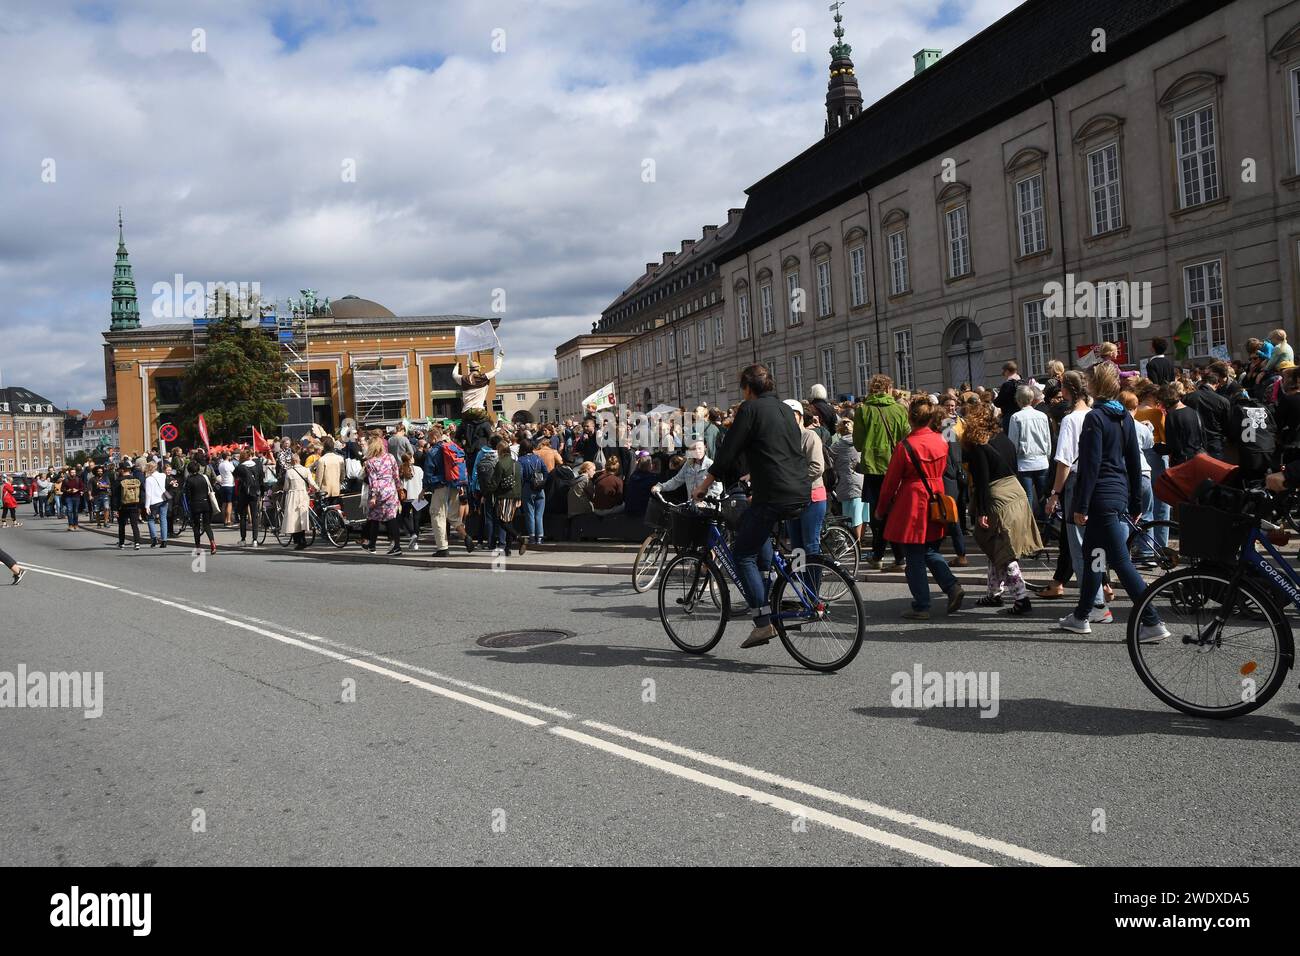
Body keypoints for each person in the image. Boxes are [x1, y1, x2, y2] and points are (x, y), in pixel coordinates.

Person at [694, 364, 810, 648]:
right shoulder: (785, 410)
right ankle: (770, 587)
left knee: (742, 554)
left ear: (748, 388)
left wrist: (703, 485)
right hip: (798, 490)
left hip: (773, 494)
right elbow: (781, 451)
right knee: (758, 537)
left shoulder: (750, 409)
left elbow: (727, 454)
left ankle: (762, 622)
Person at [1059, 363, 1169, 639]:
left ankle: (1153, 621)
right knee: (1094, 555)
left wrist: (1080, 506)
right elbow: (1134, 461)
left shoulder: (1095, 418)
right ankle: (1083, 614)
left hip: (1101, 497)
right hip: (1118, 492)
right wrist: (1135, 502)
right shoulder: (1124, 417)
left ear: (1095, 386)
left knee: (1120, 561)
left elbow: (1090, 465)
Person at [876, 396, 965, 620]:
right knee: (930, 550)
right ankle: (952, 586)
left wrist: (881, 508)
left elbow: (890, 483)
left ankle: (922, 605)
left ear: (910, 418)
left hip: (913, 501)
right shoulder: (940, 440)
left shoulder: (905, 445)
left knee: (914, 555)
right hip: (936, 494)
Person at [963, 403, 1042, 614]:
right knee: (995, 547)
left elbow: (982, 482)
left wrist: (982, 512)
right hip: (1016, 494)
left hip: (998, 499)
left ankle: (1021, 598)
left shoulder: (980, 445)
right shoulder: (1004, 439)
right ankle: (994, 593)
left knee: (1002, 550)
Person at [1040, 371, 1099, 605]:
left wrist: (1054, 494)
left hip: (1076, 482)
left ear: (1066, 390)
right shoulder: (1095, 415)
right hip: (1098, 481)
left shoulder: (1070, 419)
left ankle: (1091, 602)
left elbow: (1064, 461)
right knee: (1095, 544)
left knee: (1078, 545)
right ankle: (1100, 594)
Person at [853, 374, 910, 571]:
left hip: (873, 467)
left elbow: (858, 444)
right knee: (894, 511)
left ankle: (882, 556)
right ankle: (896, 556)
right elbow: (906, 437)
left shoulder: (863, 411)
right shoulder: (899, 409)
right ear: (888, 389)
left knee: (878, 514)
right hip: (895, 466)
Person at [785, 399, 827, 561]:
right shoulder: (784, 440)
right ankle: (801, 585)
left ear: (801, 417)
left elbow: (817, 467)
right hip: (793, 498)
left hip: (812, 497)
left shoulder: (809, 436)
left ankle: (812, 585)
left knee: (810, 545)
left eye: (793, 415)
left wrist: (793, 480)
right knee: (796, 548)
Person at [1007, 384, 1052, 519]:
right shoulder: (1042, 416)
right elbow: (1047, 439)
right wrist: (1047, 456)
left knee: (1028, 497)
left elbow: (1013, 442)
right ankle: (1047, 528)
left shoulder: (1016, 417)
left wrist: (1013, 462)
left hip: (1024, 462)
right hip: (1042, 460)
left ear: (1018, 400)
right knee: (1044, 496)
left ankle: (1030, 528)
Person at [362, 435, 403, 555]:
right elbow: (396, 474)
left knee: (374, 517)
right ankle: (397, 546)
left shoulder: (370, 462)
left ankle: (372, 545)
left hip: (379, 491)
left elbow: (373, 480)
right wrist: (399, 488)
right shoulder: (390, 457)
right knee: (391, 518)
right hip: (391, 490)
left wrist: (374, 496)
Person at [484, 437, 524, 555]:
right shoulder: (516, 463)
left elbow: (495, 483)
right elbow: (519, 480)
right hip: (515, 495)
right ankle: (508, 549)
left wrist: (486, 490)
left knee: (503, 522)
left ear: (500, 450)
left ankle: (520, 538)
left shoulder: (500, 464)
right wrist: (519, 497)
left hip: (504, 495)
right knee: (509, 521)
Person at [1180, 367, 1231, 460]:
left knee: (1198, 472)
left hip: (1193, 441)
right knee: (1217, 472)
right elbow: (1227, 425)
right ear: (1217, 384)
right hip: (1214, 441)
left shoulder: (1188, 398)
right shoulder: (1222, 401)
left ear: (1203, 382)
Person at [828, 418, 864, 545]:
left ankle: (854, 542)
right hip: (862, 481)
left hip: (844, 482)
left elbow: (830, 463)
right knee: (860, 514)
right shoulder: (861, 443)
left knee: (849, 515)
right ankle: (859, 541)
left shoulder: (836, 446)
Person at [1156, 382, 1205, 466]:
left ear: (1165, 402)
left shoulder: (1171, 416)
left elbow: (1171, 445)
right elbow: (1202, 434)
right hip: (1197, 456)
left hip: (1181, 460)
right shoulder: (1193, 411)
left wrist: (1155, 447)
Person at [517, 438, 547, 547]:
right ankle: (540, 537)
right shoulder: (538, 458)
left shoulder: (520, 460)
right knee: (539, 514)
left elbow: (520, 476)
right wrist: (542, 482)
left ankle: (532, 537)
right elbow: (545, 472)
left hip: (527, 488)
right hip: (540, 488)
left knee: (530, 514)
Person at [182, 460, 217, 554]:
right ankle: (212, 543)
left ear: (189, 470)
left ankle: (198, 547)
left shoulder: (189, 480)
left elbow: (187, 495)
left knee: (196, 526)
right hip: (206, 503)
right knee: (207, 525)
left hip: (195, 504)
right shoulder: (203, 477)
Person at [234, 449, 264, 547]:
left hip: (243, 492)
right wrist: (261, 491)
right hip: (255, 492)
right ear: (250, 456)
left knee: (243, 516)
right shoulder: (258, 465)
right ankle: (255, 540)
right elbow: (261, 479)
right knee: (255, 516)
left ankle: (243, 539)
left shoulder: (240, 467)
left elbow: (235, 477)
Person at [113, 461, 144, 550]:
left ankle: (122, 543)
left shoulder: (118, 481)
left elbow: (115, 496)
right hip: (134, 505)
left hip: (122, 506)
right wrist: (140, 505)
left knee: (122, 525)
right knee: (134, 525)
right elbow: (142, 492)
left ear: (122, 470)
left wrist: (115, 509)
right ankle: (137, 543)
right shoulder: (136, 480)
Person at [143, 461, 169, 548]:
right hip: (163, 499)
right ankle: (164, 540)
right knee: (163, 520)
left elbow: (148, 494)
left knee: (150, 519)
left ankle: (154, 538)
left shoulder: (148, 479)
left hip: (153, 501)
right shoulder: (163, 475)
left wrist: (147, 506)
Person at [993, 361, 1022, 433]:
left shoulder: (1007, 385)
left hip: (1010, 416)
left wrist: (995, 398)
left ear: (1007, 371)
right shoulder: (1023, 382)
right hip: (1022, 413)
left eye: (1004, 372)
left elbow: (998, 402)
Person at [216, 451, 237, 526]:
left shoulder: (220, 464)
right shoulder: (229, 464)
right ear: (227, 456)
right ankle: (228, 520)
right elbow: (235, 472)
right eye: (230, 455)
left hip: (223, 484)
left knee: (224, 503)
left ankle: (224, 520)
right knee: (229, 503)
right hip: (229, 485)